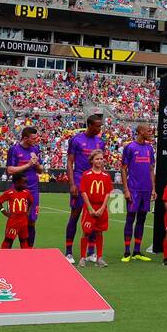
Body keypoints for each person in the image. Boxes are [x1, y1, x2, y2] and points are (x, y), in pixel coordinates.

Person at [63, 113, 106, 263]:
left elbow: (101, 164)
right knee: (74, 216)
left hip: (95, 185)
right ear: (90, 125)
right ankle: (68, 252)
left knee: (94, 216)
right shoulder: (76, 139)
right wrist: (72, 183)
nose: (100, 128)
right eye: (98, 125)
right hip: (80, 180)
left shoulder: (100, 142)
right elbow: (69, 162)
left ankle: (91, 251)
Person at [5, 126, 45, 251]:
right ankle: (6, 250)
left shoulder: (36, 149)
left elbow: (40, 170)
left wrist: (37, 164)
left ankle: (29, 250)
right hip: (18, 191)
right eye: (33, 138)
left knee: (32, 221)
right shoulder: (14, 149)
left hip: (33, 190)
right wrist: (28, 164)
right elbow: (10, 170)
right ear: (25, 138)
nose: (36, 140)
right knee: (14, 221)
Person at [119, 123, 155, 262]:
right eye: (148, 130)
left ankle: (137, 251)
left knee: (142, 219)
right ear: (140, 131)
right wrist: (126, 189)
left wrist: (153, 188)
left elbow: (151, 169)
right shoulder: (130, 147)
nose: (150, 132)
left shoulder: (149, 148)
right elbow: (123, 169)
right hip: (133, 189)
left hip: (146, 189)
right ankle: (127, 251)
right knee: (130, 219)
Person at [77, 151, 114, 268]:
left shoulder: (106, 176)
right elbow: (83, 191)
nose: (100, 161)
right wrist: (89, 208)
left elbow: (108, 192)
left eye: (101, 159)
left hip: (101, 208)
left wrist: (103, 208)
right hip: (90, 207)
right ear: (92, 160)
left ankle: (99, 257)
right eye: (97, 159)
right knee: (86, 232)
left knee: (99, 231)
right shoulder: (86, 174)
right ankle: (82, 257)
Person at [0, 174, 34, 249]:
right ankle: (3, 256)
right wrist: (4, 212)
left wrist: (28, 212)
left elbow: (31, 201)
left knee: (23, 240)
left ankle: (25, 257)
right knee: (8, 240)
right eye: (23, 183)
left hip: (23, 221)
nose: (25, 185)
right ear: (17, 183)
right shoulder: (9, 193)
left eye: (26, 183)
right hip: (13, 222)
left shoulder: (26, 192)